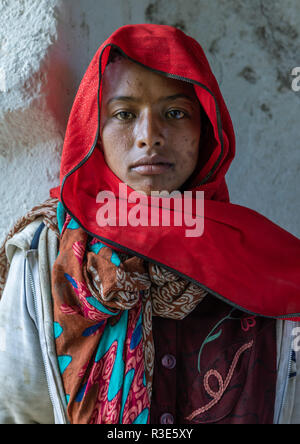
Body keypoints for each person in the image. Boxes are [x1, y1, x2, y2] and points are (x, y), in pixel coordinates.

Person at [0, 23, 300, 425]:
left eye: (175, 113)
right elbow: (18, 411)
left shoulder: (265, 261)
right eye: (124, 114)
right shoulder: (46, 252)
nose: (149, 136)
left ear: (207, 130)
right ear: (94, 130)